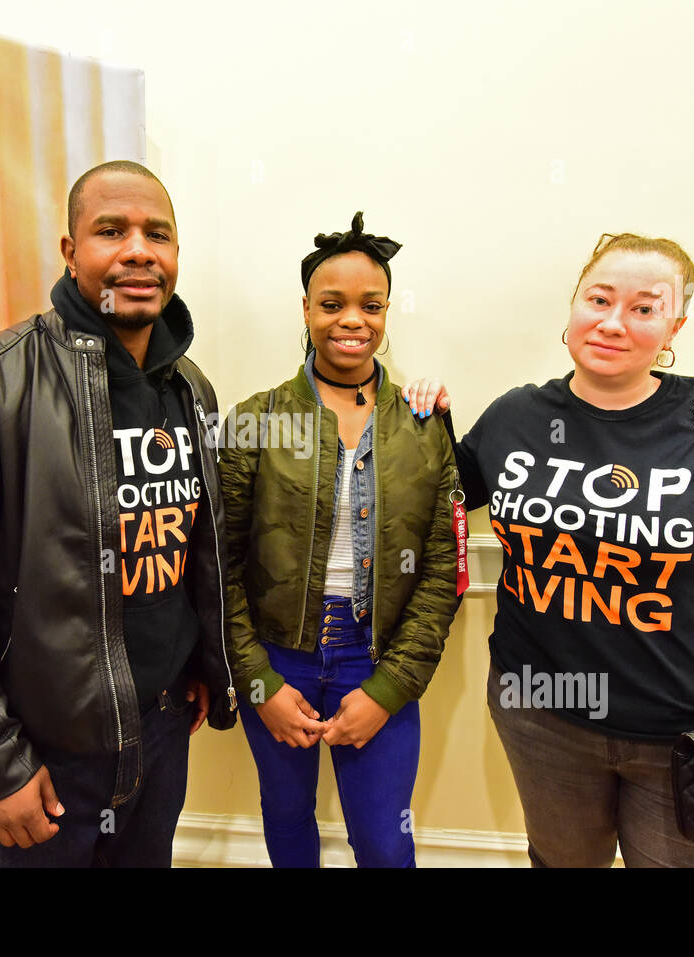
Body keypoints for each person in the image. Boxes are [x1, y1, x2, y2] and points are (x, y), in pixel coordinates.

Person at [404, 232, 694, 867]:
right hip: (540, 715)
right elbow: (438, 499)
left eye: (644, 308)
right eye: (599, 299)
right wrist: (423, 421)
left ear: (675, 324)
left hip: (688, 730)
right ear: (573, 307)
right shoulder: (517, 417)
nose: (614, 322)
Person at [0, 160, 237, 868]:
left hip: (164, 732)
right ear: (70, 250)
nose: (138, 250)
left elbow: (193, 548)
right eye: (111, 230)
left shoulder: (191, 388)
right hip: (44, 758)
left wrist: (200, 661)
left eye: (158, 234)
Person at [218, 212, 463, 867]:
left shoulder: (422, 423)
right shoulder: (256, 419)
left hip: (375, 655)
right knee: (288, 819)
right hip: (278, 655)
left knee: (384, 841)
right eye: (332, 304)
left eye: (370, 305)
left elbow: (444, 569)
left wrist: (387, 689)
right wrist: (259, 681)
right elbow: (220, 566)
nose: (352, 320)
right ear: (306, 309)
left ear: (387, 312)